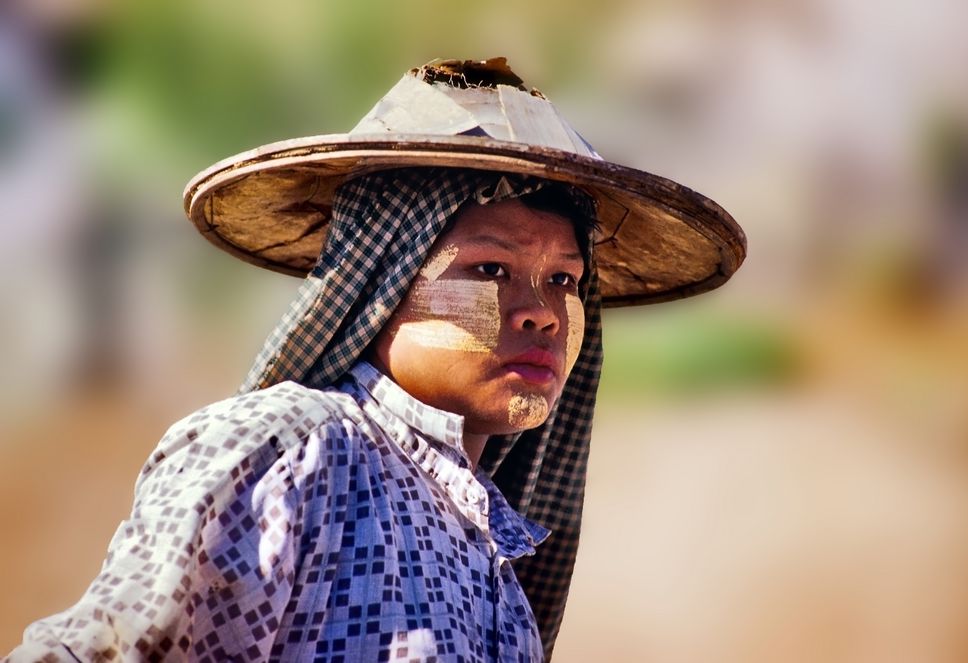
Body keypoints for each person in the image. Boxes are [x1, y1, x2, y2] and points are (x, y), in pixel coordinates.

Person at [6, 58, 745, 662]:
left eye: (564, 280)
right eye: (490, 269)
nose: (541, 312)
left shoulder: (498, 564)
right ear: (379, 286)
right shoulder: (291, 452)